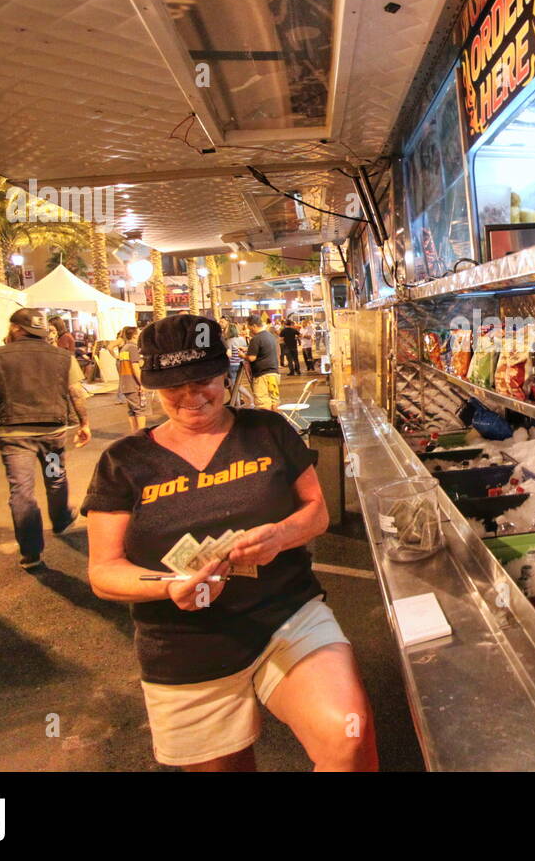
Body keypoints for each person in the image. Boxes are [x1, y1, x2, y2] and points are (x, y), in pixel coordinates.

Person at [83, 315, 377, 771]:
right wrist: (169, 586)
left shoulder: (269, 430)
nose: (190, 396)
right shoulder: (123, 462)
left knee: (349, 737)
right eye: (172, 385)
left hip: (286, 616)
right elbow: (104, 571)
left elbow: (316, 512)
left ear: (227, 372)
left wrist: (281, 535)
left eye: (202, 379)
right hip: (183, 646)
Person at [0, 308, 91, 571]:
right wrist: (84, 423)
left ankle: (31, 553)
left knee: (21, 490)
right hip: (51, 434)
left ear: (16, 328)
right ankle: (60, 519)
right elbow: (76, 392)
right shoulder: (61, 357)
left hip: (15, 437)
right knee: (55, 476)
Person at [244, 314, 281, 411]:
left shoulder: (256, 339)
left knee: (262, 403)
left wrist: (242, 355)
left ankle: (265, 424)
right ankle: (276, 422)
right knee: (274, 400)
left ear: (254, 326)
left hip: (262, 376)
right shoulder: (270, 336)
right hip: (274, 374)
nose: (249, 330)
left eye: (249, 328)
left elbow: (251, 358)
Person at [115, 326, 148, 432]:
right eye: (139, 333)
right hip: (133, 384)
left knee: (132, 411)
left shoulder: (124, 348)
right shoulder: (133, 348)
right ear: (134, 335)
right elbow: (135, 368)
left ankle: (135, 434)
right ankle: (141, 436)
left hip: (126, 384)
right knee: (140, 410)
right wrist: (142, 383)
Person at [226, 323, 251, 408]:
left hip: (232, 364)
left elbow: (229, 354)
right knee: (236, 384)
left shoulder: (229, 341)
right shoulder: (242, 339)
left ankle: (250, 399)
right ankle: (237, 405)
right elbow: (246, 350)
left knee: (235, 385)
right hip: (240, 363)